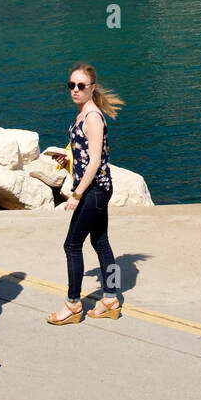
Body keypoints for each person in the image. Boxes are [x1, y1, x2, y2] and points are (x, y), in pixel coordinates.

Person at [45, 64, 123, 325]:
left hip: (95, 191)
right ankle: (111, 298)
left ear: (92, 88)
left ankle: (73, 304)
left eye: (81, 86)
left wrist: (76, 195)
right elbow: (83, 155)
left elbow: (95, 161)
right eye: (71, 85)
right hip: (93, 189)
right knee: (100, 242)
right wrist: (66, 158)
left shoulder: (92, 117)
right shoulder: (81, 114)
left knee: (71, 245)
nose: (75, 90)